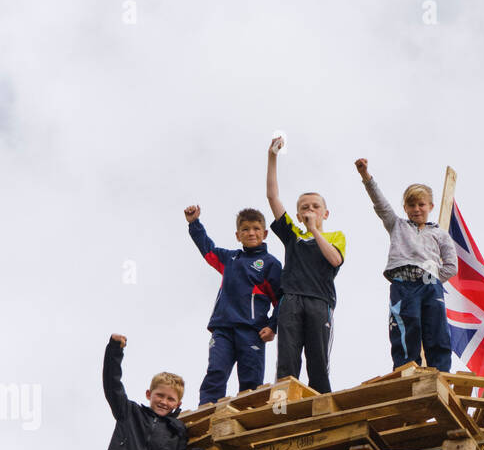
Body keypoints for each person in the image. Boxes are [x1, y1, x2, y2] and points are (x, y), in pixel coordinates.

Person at [354, 159, 457, 371]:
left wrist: (433, 277)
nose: (416, 209)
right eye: (411, 205)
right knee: (405, 327)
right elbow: (380, 204)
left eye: (421, 204)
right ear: (405, 207)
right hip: (403, 284)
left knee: (436, 329)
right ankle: (405, 370)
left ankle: (440, 373)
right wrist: (366, 176)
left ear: (430, 206)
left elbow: (451, 266)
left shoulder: (439, 234)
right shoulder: (397, 225)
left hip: (430, 285)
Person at [266, 136, 345, 393]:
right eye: (304, 208)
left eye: (315, 206)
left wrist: (314, 231)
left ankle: (322, 409)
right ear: (298, 214)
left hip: (319, 302)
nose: (310, 210)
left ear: (325, 213)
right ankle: (281, 412)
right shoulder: (293, 234)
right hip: (291, 301)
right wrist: (273, 157)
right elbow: (272, 196)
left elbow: (334, 260)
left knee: (318, 362)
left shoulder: (335, 237)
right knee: (287, 362)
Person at [185, 205, 282, 405]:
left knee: (250, 380)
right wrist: (194, 223)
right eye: (245, 229)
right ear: (238, 235)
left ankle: (249, 419)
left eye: (256, 228)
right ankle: (207, 412)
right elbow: (207, 249)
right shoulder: (230, 258)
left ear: (264, 233)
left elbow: (282, 299)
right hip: (223, 328)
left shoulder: (270, 263)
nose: (251, 233)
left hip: (252, 331)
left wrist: (273, 326)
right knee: (216, 372)